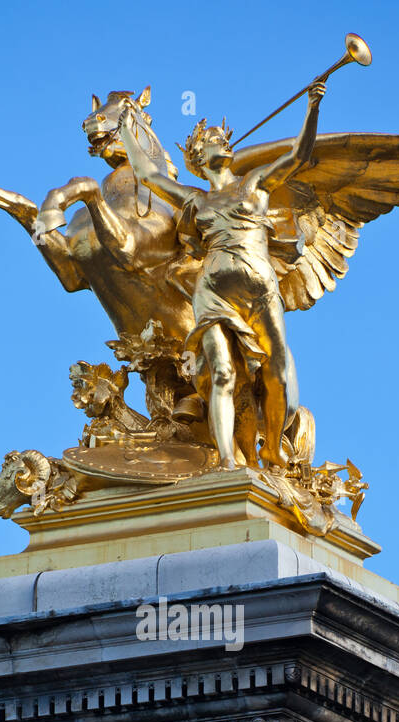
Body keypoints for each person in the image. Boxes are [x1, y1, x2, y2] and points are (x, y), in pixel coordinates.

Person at [117, 80, 327, 469]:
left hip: (261, 291)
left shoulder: (256, 183)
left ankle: (273, 447)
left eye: (223, 137)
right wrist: (127, 128)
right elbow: (148, 176)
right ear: (198, 157)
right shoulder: (196, 199)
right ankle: (228, 460)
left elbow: (299, 156)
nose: (222, 141)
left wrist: (312, 107)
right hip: (212, 291)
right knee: (223, 373)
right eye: (213, 138)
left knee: (278, 369)